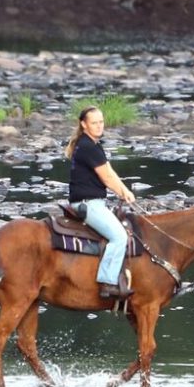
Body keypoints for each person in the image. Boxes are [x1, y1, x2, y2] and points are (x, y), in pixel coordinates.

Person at [65, 105, 137, 298]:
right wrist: (122, 192)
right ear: (84, 124)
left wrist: (125, 191)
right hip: (89, 203)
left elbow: (110, 171)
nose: (99, 126)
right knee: (119, 237)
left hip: (94, 202)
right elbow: (106, 178)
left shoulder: (92, 144)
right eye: (94, 123)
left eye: (101, 122)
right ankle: (107, 282)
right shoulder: (88, 147)